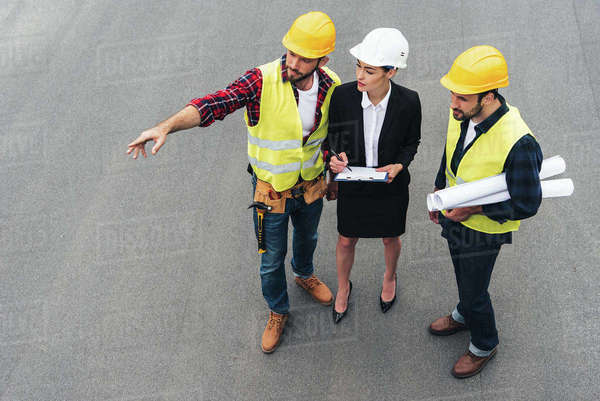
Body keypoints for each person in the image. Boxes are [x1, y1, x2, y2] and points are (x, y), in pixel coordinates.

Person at [126, 11, 341, 354]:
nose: (293, 62)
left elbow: (332, 135)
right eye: (291, 52)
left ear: (323, 60)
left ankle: (304, 273)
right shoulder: (261, 81)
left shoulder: (332, 82)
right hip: (271, 192)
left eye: (304, 58)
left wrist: (335, 177)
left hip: (311, 186)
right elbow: (214, 104)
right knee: (271, 259)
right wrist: (166, 126)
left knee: (308, 237)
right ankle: (277, 310)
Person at [428, 45, 543, 378]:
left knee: (475, 289)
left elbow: (527, 203)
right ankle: (463, 313)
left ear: (489, 96)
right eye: (453, 94)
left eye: (461, 97)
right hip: (455, 218)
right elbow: (452, 154)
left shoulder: (519, 142)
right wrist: (441, 190)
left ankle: (483, 344)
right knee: (464, 278)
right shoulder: (463, 114)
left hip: (483, 231)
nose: (453, 103)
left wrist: (474, 207)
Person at [327, 28, 421, 323]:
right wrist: (334, 157)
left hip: (390, 184)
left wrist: (399, 166)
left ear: (391, 71)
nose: (360, 75)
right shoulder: (342, 97)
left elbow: (411, 143)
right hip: (353, 183)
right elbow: (333, 137)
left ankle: (390, 277)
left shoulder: (409, 102)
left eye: (369, 70)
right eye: (358, 66)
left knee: (390, 238)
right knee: (345, 240)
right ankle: (343, 287)